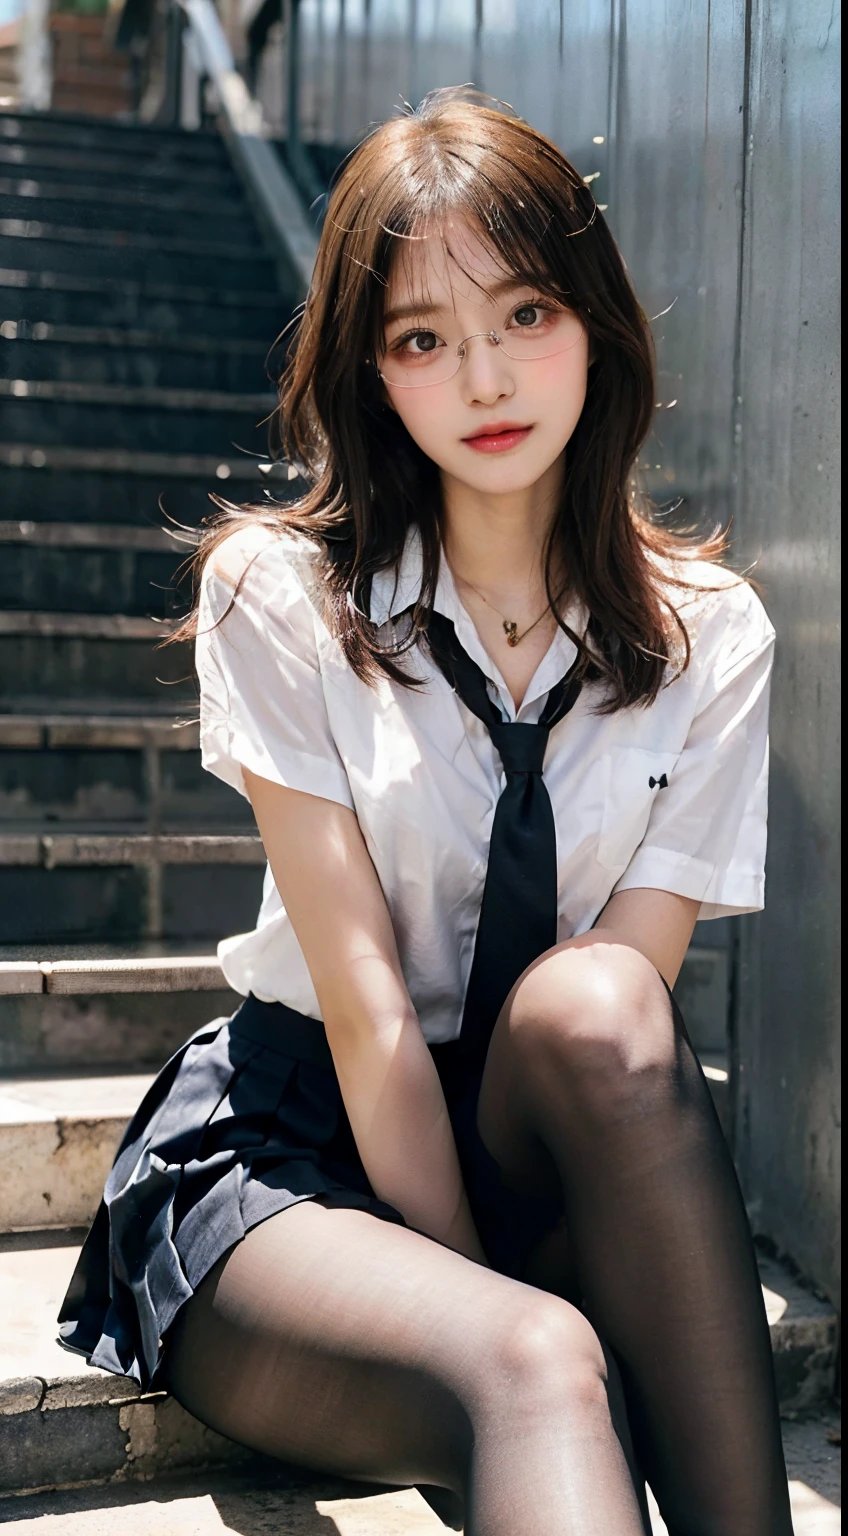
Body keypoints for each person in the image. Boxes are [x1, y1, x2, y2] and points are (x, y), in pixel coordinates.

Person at [58, 89, 793, 1534]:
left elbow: (626, 1001)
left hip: (540, 1127)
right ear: (374, 372)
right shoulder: (284, 594)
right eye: (422, 337)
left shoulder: (713, 634)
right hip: (297, 1156)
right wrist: (485, 1277)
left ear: (599, 323)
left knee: (597, 1004)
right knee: (536, 1360)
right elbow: (369, 1007)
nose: (485, 375)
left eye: (526, 313)